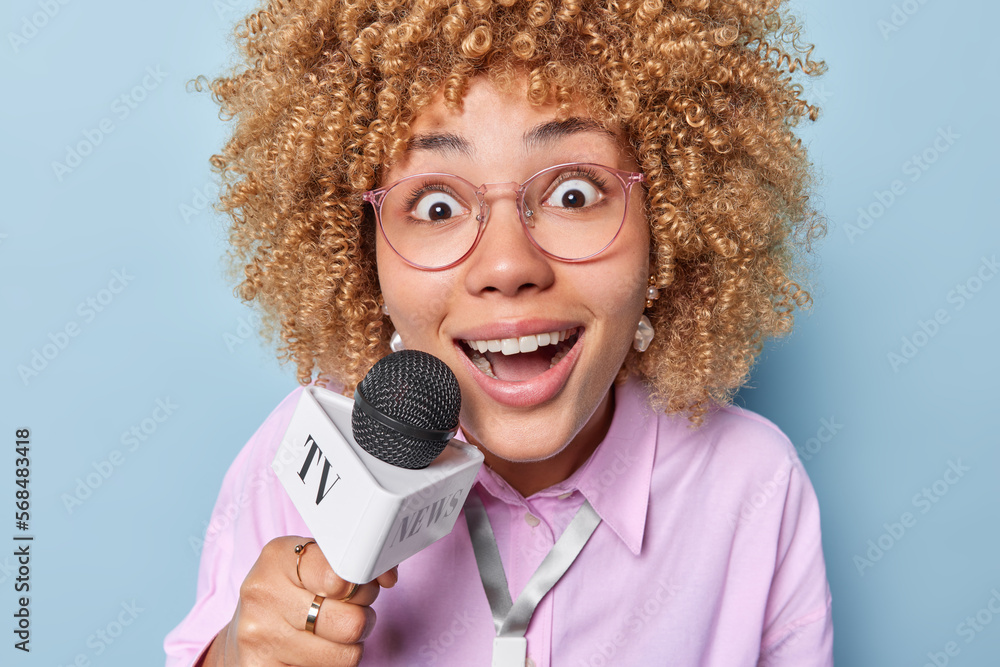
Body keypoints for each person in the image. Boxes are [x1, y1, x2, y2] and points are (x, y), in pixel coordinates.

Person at [165, 0, 832, 664]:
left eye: (574, 193)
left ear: (667, 223)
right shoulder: (303, 459)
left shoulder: (754, 487)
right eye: (437, 205)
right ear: (361, 250)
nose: (508, 266)